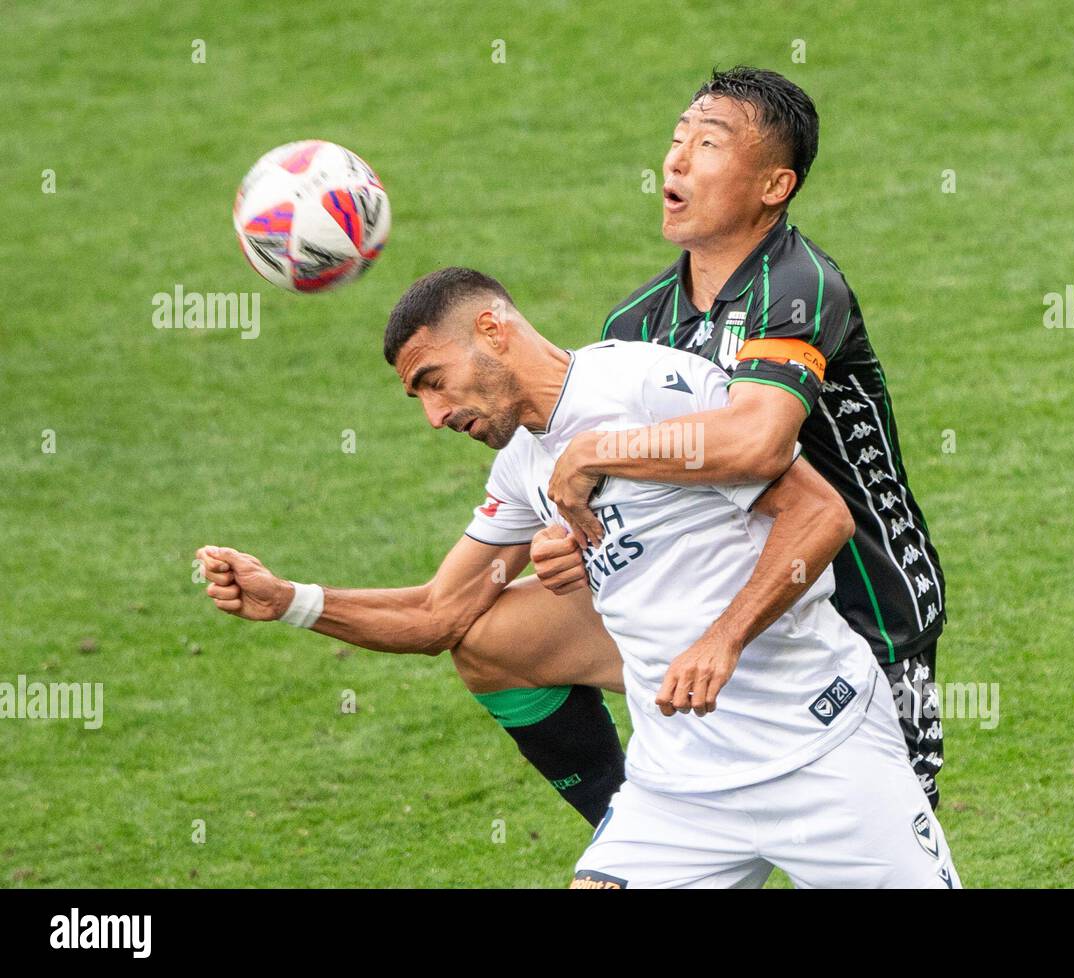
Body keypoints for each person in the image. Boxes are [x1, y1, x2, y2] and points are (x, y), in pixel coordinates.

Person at [198, 267, 960, 887]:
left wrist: (723, 640)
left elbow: (818, 519)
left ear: (493, 330)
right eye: (417, 397)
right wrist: (289, 601)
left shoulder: (647, 386)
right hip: (681, 789)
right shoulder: (523, 464)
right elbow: (440, 614)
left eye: (434, 380)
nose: (433, 415)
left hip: (818, 749)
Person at [444, 66, 949, 821]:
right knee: (490, 640)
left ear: (774, 186)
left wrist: (596, 456)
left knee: (881, 852)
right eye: (676, 141)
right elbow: (633, 491)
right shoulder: (636, 324)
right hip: (706, 609)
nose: (674, 162)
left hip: (859, 611)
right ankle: (630, 833)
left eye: (706, 146)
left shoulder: (802, 287)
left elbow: (756, 443)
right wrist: (571, 541)